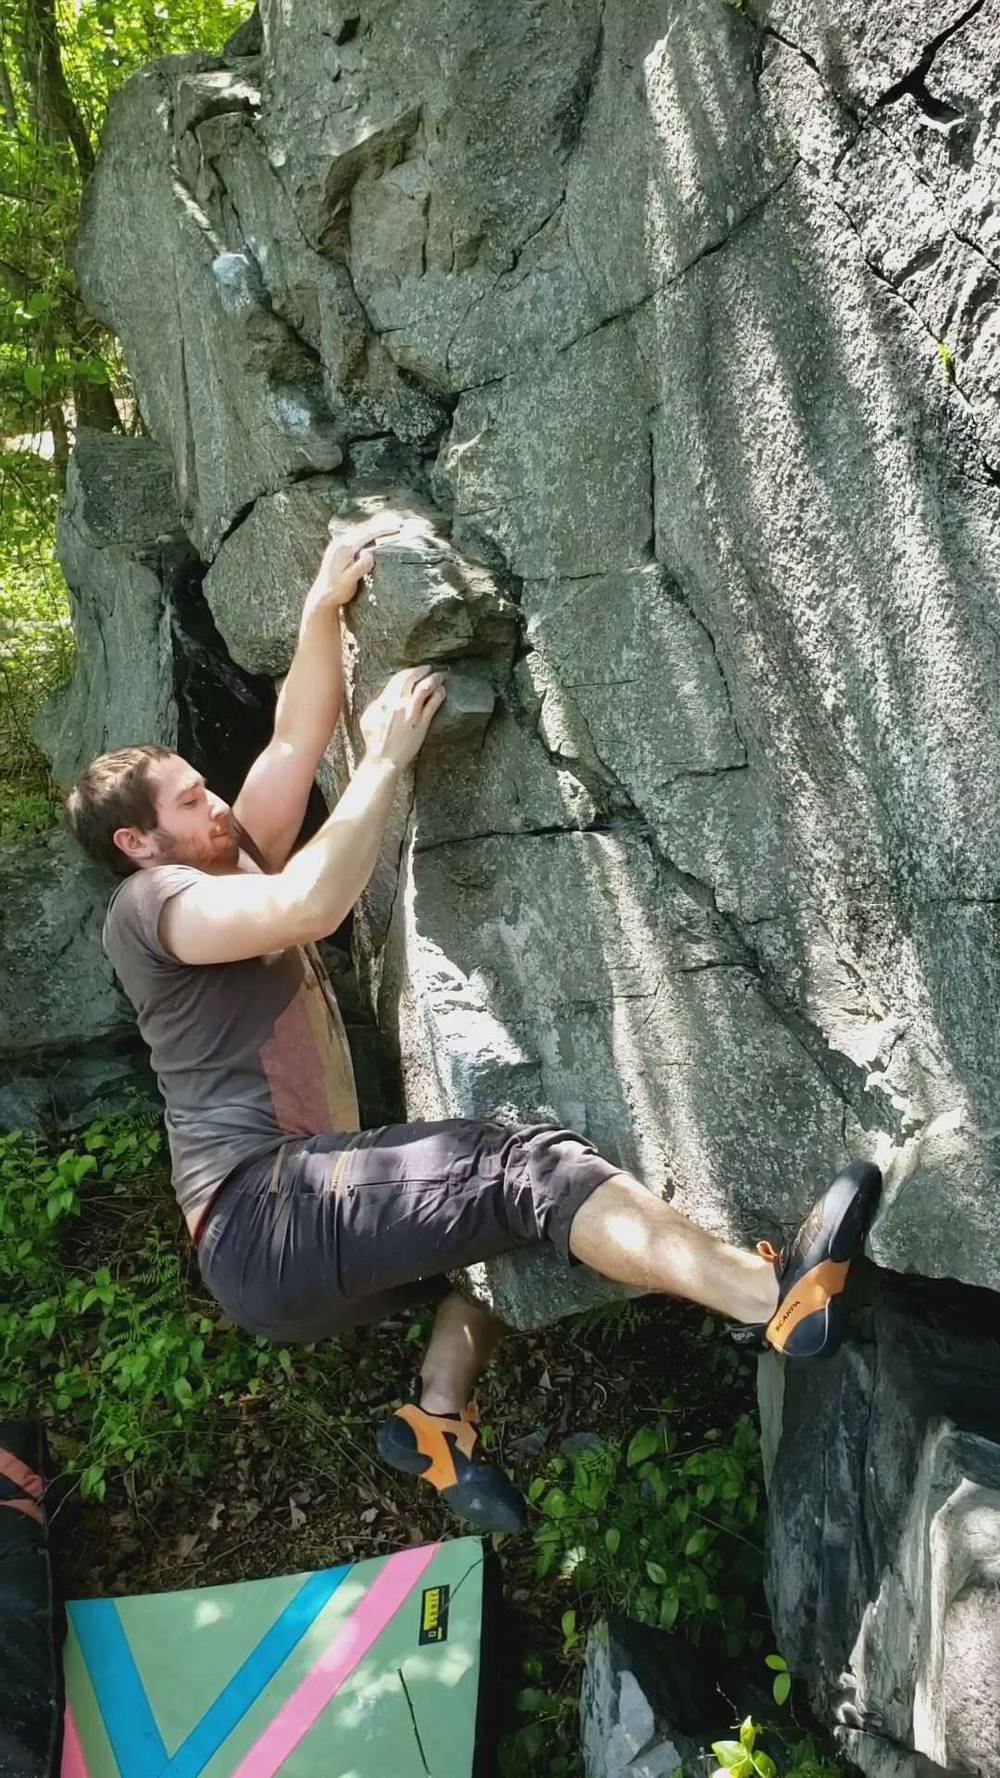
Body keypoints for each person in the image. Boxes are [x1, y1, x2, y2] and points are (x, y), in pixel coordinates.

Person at [67, 521, 881, 1534]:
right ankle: (774, 1297)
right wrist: (388, 761)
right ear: (140, 842)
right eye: (190, 800)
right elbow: (309, 908)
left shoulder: (226, 858)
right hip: (261, 1208)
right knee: (519, 1167)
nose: (215, 800)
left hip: (280, 1247)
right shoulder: (150, 910)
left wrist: (323, 606)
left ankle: (434, 1418)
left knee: (500, 1234)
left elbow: (290, 739)